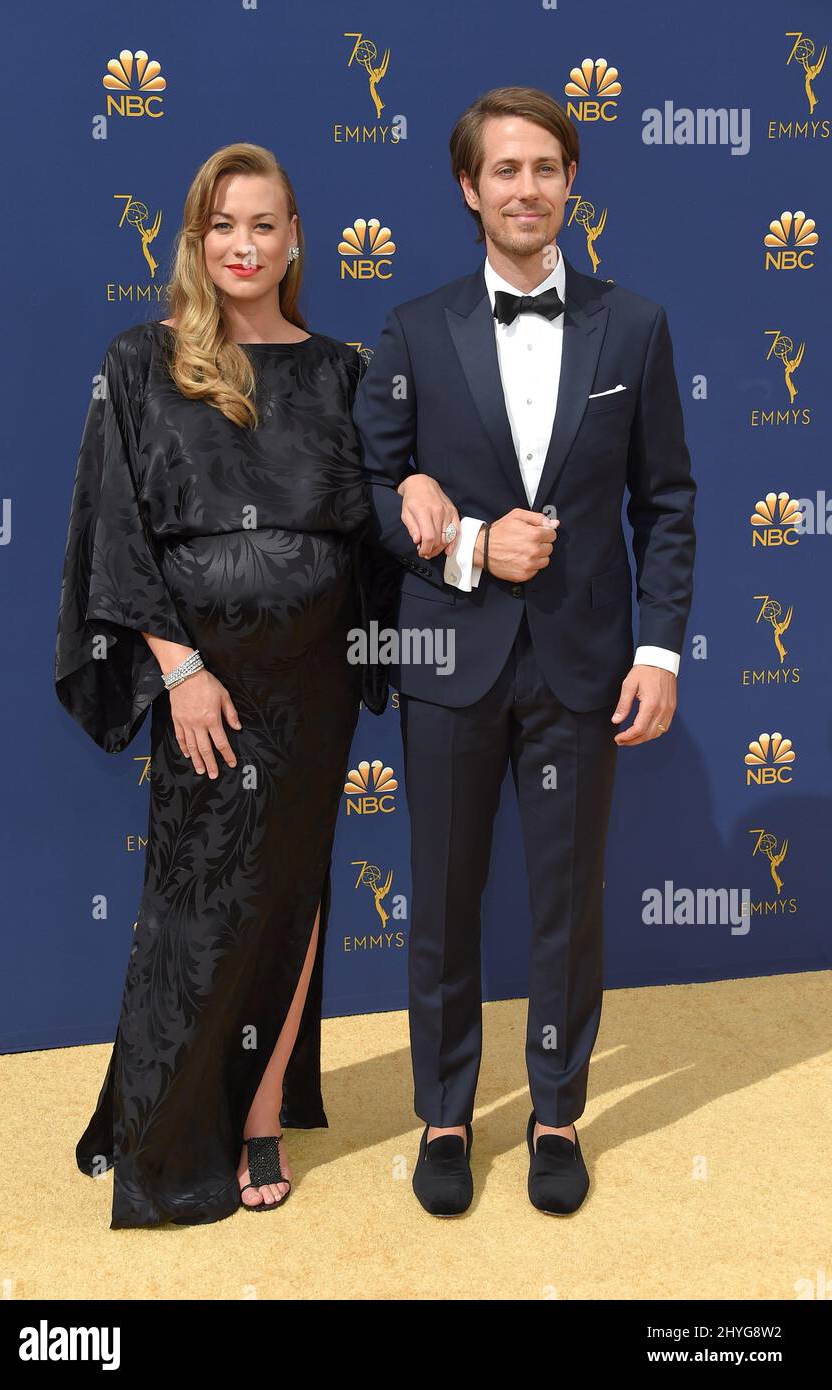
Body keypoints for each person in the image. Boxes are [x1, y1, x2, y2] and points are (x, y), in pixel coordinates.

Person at [353, 87, 697, 1216]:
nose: (524, 188)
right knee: (443, 903)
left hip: (582, 665)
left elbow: (668, 503)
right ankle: (443, 1119)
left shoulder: (634, 326)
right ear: (468, 188)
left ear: (569, 183)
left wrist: (659, 650)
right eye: (502, 169)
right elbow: (369, 494)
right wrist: (464, 550)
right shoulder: (411, 329)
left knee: (563, 904)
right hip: (449, 662)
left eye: (544, 167)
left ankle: (555, 1116)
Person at [54, 142, 399, 1228]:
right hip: (205, 683)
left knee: (291, 900)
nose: (244, 245)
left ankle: (255, 1114)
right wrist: (180, 667)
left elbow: (378, 513)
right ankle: (162, 1129)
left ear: (295, 239)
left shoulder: (341, 369)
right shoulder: (141, 360)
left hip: (315, 687)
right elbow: (117, 529)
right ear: (195, 242)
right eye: (223, 226)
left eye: (264, 224)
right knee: (196, 904)